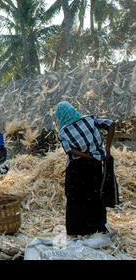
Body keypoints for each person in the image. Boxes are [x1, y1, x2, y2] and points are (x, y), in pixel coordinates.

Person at [55, 101, 116, 236]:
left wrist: (86, 156)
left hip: (77, 168)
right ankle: (98, 227)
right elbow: (111, 124)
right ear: (72, 110)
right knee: (95, 195)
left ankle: (77, 230)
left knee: (75, 198)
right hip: (95, 165)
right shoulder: (90, 119)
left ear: (60, 116)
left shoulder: (63, 132)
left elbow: (70, 150)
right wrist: (107, 147)